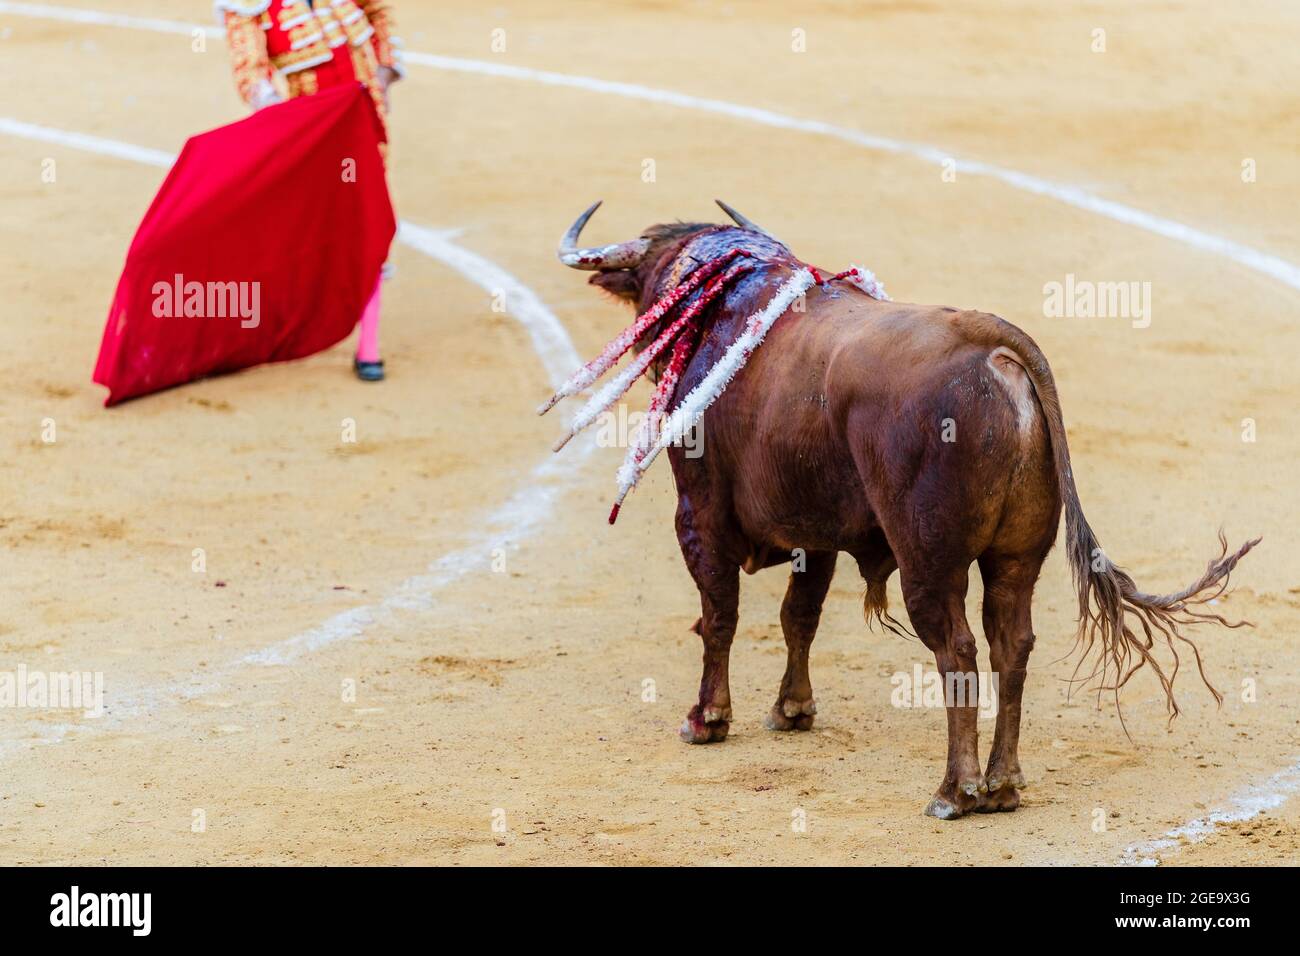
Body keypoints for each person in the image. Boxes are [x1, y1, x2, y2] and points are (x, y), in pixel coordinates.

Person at [217, 0, 404, 381]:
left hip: (364, 110)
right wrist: (280, 117)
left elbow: (378, 9)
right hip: (312, 121)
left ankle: (369, 344)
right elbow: (250, 71)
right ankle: (275, 323)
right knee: (306, 226)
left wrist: (385, 70)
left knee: (368, 219)